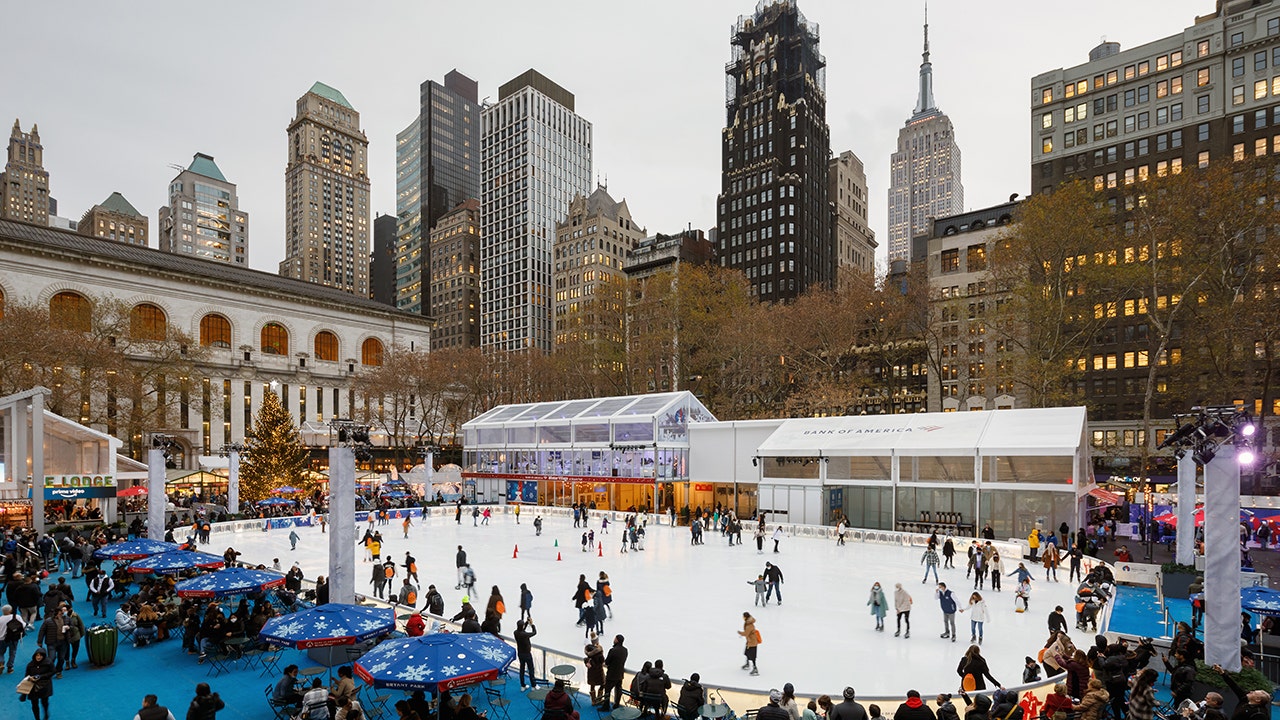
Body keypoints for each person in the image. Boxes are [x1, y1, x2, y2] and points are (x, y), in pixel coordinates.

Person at [21, 647, 54, 720]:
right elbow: (26, 677)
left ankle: (46, 714)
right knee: (34, 704)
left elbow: (52, 672)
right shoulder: (30, 665)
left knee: (44, 702)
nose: (39, 657)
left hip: (44, 686)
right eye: (37, 655)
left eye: (40, 655)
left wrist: (41, 676)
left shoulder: (48, 663)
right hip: (33, 687)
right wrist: (30, 679)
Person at [602, 634, 628, 711]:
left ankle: (606, 706)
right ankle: (616, 704)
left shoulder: (613, 650)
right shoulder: (625, 650)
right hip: (620, 674)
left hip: (612, 674)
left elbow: (607, 662)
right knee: (618, 689)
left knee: (607, 690)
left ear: (617, 640)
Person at [585, 633, 605, 703]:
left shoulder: (588, 650)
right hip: (598, 671)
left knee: (592, 685)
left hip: (591, 671)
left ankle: (593, 701)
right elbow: (602, 660)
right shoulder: (599, 652)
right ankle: (599, 698)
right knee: (603, 683)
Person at [739, 611, 760, 675]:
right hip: (749, 642)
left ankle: (755, 668)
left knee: (752, 656)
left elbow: (746, 633)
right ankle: (747, 664)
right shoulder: (747, 623)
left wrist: (740, 633)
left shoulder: (749, 625)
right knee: (747, 653)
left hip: (752, 643)